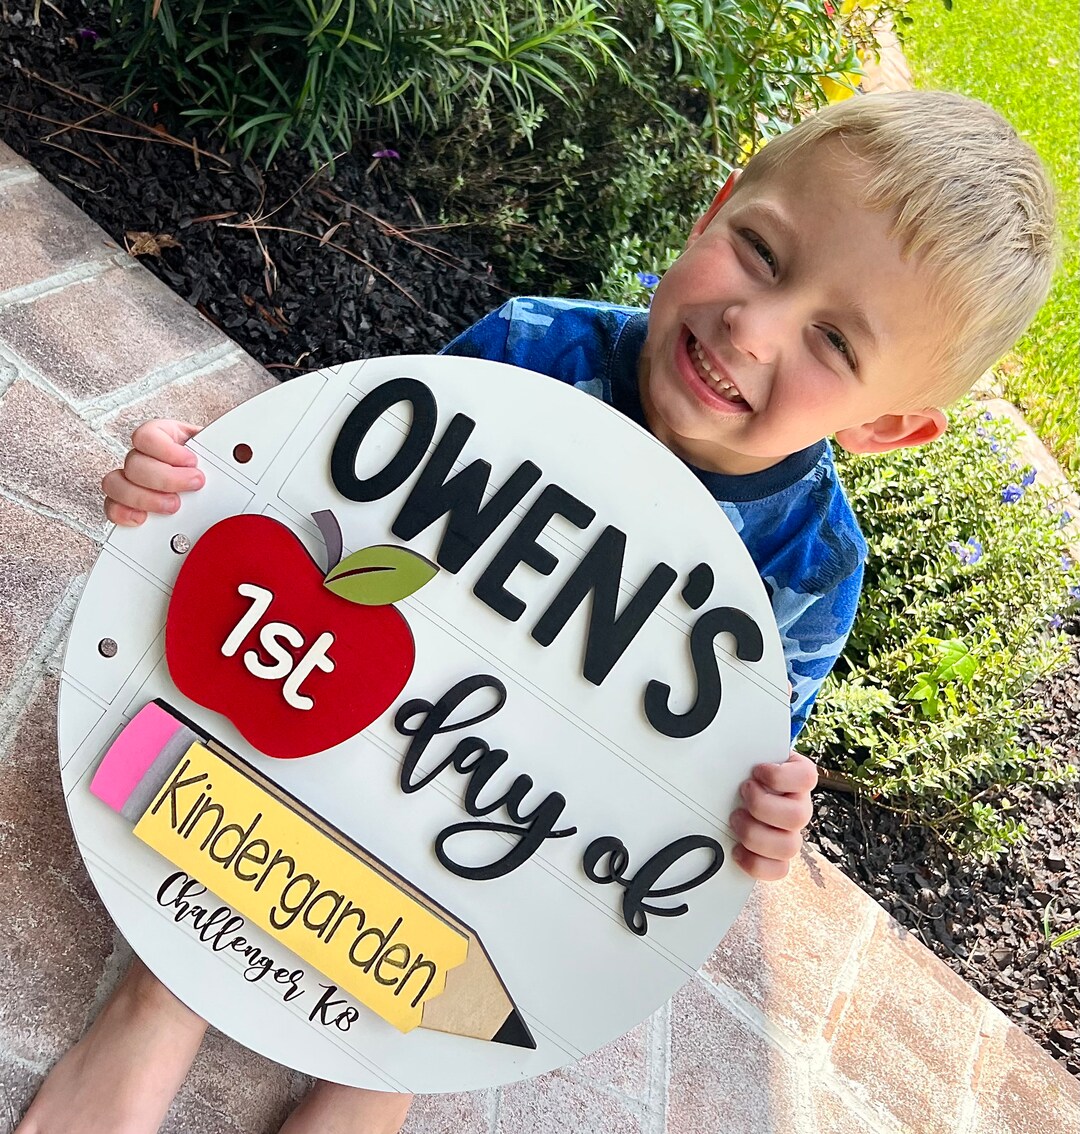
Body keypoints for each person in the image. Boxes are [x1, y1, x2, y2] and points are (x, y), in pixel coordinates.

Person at [19, 89, 1054, 1134]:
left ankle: (380, 1067)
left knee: (522, 889)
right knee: (279, 715)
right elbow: (329, 521)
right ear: (716, 209)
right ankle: (170, 987)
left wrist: (759, 815)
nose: (751, 326)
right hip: (357, 725)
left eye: (833, 340)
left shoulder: (809, 565)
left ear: (888, 427)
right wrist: (190, 497)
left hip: (495, 816)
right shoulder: (527, 350)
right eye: (762, 253)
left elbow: (687, 788)